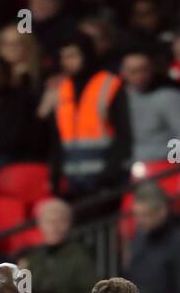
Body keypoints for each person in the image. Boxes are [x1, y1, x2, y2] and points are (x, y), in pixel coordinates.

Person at [51, 34, 130, 198]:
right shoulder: (62, 88)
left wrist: (110, 175)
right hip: (72, 182)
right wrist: (56, 176)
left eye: (73, 55)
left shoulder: (110, 84)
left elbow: (124, 134)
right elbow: (57, 138)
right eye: (64, 57)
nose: (67, 62)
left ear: (86, 54)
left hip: (106, 182)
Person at [17, 198, 96, 293]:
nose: (54, 227)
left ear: (68, 224)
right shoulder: (31, 257)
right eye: (49, 221)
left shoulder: (81, 257)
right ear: (40, 225)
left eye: (60, 221)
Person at [121, 50, 180, 165]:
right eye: (134, 71)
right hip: (131, 168)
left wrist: (166, 158)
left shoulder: (170, 97)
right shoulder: (121, 101)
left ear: (152, 70)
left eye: (144, 69)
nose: (140, 76)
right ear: (123, 73)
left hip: (167, 167)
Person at [123, 183, 180, 293]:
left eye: (145, 215)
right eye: (137, 216)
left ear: (162, 211)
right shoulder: (139, 237)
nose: (139, 221)